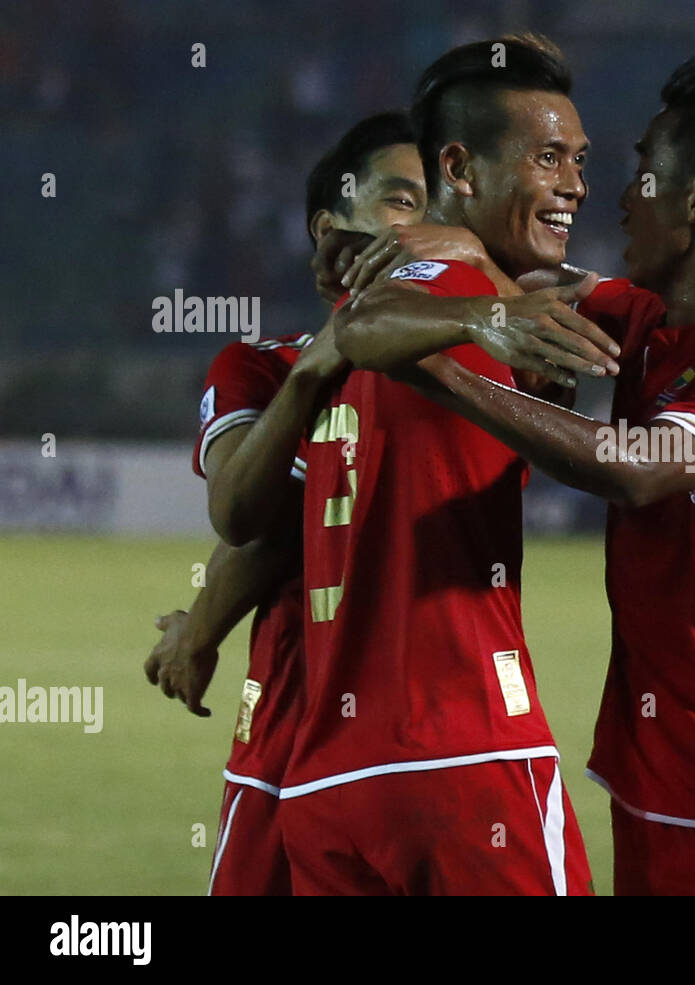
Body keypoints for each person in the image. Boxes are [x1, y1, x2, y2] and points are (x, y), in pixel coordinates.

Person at [338, 55, 695, 896]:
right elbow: (522, 279)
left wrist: (438, 373)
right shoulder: (648, 321)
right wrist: (459, 232)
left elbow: (632, 467)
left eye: (646, 174)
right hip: (657, 787)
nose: (614, 193)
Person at [277, 35, 618, 896]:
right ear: (459, 167)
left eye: (580, 159)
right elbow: (373, 326)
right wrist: (487, 318)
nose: (576, 183)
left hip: (330, 779)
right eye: (548, 158)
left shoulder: (424, 287)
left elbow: (359, 328)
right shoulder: (443, 288)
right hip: (469, 751)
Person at [143, 111, 428, 894]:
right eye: (402, 202)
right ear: (331, 228)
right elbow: (258, 516)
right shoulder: (261, 368)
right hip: (288, 739)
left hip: (439, 746)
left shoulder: (462, 366)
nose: (424, 231)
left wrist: (198, 632)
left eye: (441, 211)